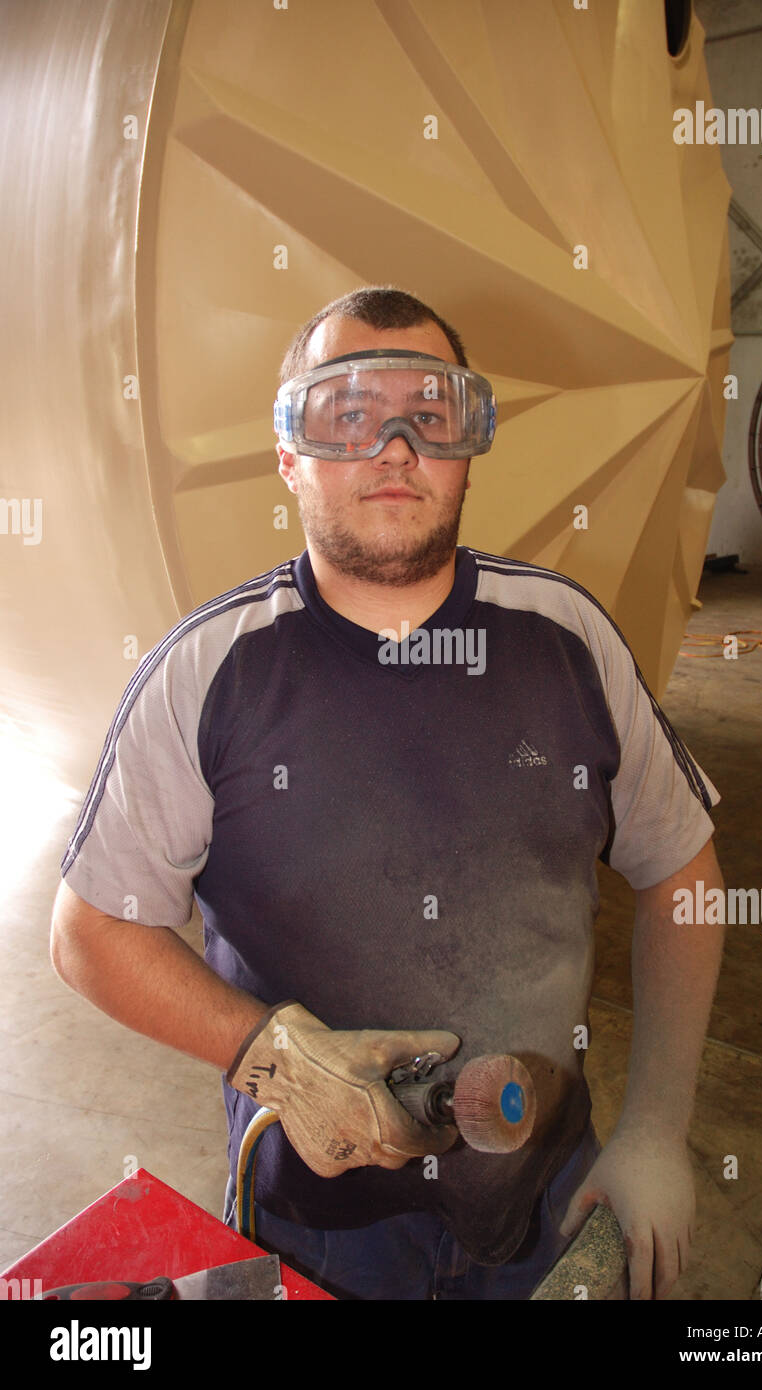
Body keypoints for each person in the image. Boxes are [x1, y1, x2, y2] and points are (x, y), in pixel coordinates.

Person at [51, 286, 726, 1302]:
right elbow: (89, 930)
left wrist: (658, 1131)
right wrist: (266, 1052)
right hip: (311, 1228)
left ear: (468, 445)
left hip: (547, 1197)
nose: (397, 445)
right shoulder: (208, 674)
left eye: (432, 410)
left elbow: (683, 873)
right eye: (348, 414)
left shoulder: (568, 640)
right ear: (289, 456)